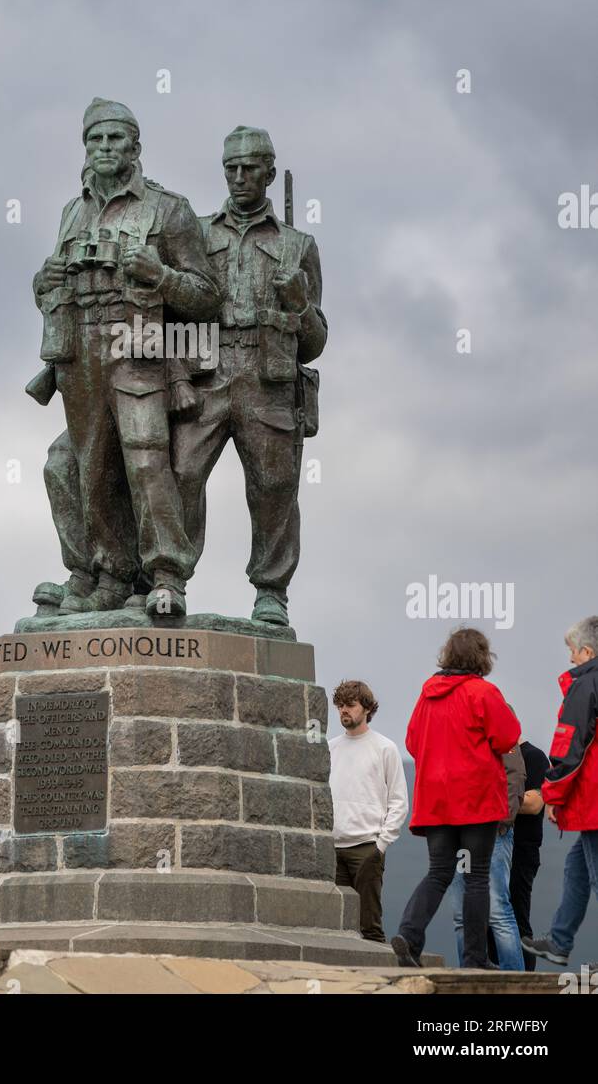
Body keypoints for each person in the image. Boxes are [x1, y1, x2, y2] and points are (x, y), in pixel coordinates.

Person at [32, 99, 220, 620]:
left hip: (137, 346)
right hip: (79, 351)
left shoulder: (169, 208)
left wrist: (159, 275)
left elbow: (208, 295)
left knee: (144, 456)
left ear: (135, 147)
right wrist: (42, 283)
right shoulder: (73, 211)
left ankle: (165, 574)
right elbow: (52, 284)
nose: (105, 149)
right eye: (96, 140)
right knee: (85, 464)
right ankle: (106, 573)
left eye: (115, 140)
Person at [171, 125, 328, 625]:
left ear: (268, 171)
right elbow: (171, 313)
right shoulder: (195, 231)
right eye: (230, 169)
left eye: (248, 169)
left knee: (274, 485)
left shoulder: (298, 246)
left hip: (268, 378)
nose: (238, 178)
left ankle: (271, 592)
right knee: (181, 473)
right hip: (207, 373)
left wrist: (300, 303)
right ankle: (169, 577)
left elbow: (317, 341)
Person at [391, 627, 521, 969]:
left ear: (447, 655)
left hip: (436, 802)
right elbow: (508, 737)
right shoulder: (484, 692)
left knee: (439, 872)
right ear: (481, 656)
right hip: (475, 800)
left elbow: (412, 741)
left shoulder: (427, 694)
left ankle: (409, 935)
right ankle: (476, 959)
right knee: (476, 876)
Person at [522, 615, 598, 966]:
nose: (570, 659)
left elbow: (570, 746)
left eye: (572, 651)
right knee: (576, 869)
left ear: (586, 650)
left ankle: (561, 942)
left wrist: (552, 795)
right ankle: (560, 941)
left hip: (593, 801)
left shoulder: (585, 686)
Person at [329, 680, 408, 942]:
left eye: (350, 705)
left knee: (369, 926)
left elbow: (399, 801)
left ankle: (377, 981)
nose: (344, 710)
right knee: (336, 927)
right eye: (340, 705)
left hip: (367, 847)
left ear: (366, 708)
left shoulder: (385, 748)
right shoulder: (330, 748)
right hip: (333, 848)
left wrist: (381, 844)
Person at [450, 743, 526, 969]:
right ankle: (469, 979)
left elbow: (515, 773)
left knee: (497, 911)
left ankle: (515, 985)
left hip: (493, 834)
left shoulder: (498, 713)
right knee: (461, 915)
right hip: (459, 834)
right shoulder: (455, 720)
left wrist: (501, 820)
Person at [504, 737, 548, 971]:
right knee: (490, 923)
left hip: (522, 850)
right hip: (492, 850)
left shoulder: (534, 756)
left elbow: (534, 804)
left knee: (518, 919)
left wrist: (490, 798)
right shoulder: (495, 757)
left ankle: (527, 981)